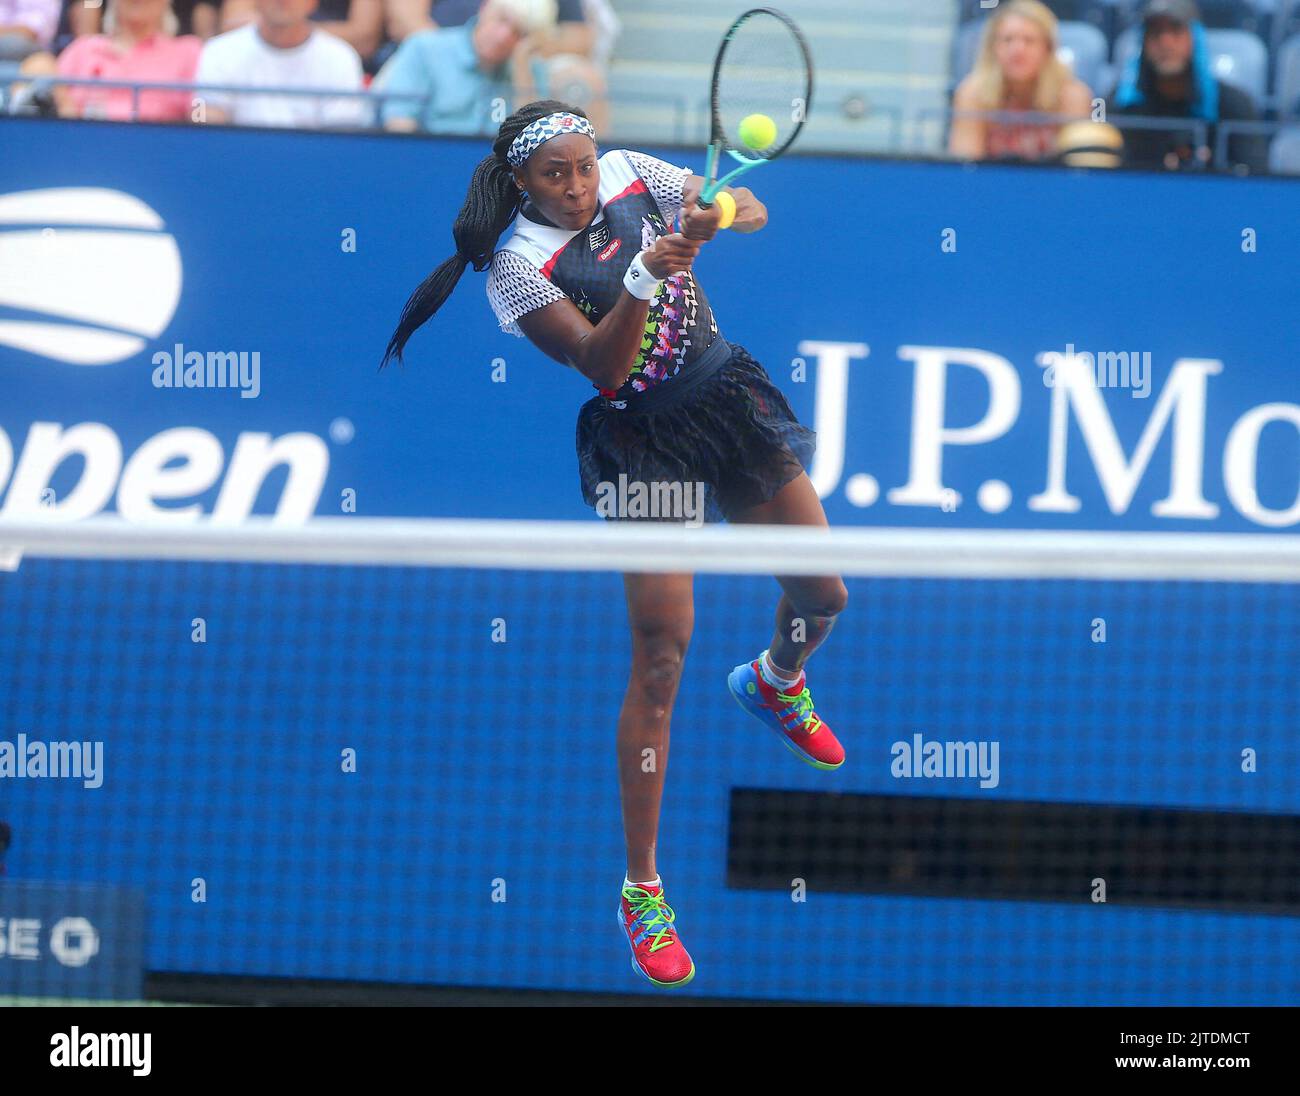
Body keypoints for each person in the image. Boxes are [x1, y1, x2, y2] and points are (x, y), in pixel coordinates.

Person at [381, 100, 850, 988]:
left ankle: (775, 680)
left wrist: (715, 213)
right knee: (664, 654)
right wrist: (641, 276)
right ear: (519, 181)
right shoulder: (516, 269)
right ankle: (643, 890)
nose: (577, 187)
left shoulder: (637, 171)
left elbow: (748, 210)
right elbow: (601, 366)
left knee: (824, 597)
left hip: (726, 398)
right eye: (554, 175)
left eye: (584, 167)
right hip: (644, 441)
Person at [1110, 0, 1266, 173]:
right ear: (1143, 42)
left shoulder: (1235, 104)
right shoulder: (1117, 102)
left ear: (1196, 38)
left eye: (1176, 30)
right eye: (1155, 33)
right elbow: (1095, 122)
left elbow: (1256, 176)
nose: (1165, 42)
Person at [376, 0, 554, 134]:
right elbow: (398, 122)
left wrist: (521, 72)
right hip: (428, 163)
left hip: (496, 176)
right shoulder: (425, 49)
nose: (503, 36)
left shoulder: (530, 71)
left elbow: (533, 145)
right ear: (484, 9)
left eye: (519, 32)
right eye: (502, 20)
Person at [949, 0, 1093, 162]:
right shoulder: (972, 94)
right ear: (992, 48)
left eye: (1029, 40)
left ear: (1048, 48)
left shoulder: (1072, 96)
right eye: (1007, 40)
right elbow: (965, 170)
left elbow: (1078, 171)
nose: (1017, 50)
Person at [194, 0, 366, 127]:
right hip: (233, 165)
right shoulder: (217, 51)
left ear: (314, 3)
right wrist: (201, 121)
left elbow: (341, 138)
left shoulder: (341, 58)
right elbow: (200, 118)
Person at [52, 0, 202, 122]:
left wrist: (201, 122)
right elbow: (50, 93)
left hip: (160, 151)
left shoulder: (189, 52)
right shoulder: (83, 49)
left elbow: (200, 113)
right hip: (85, 148)